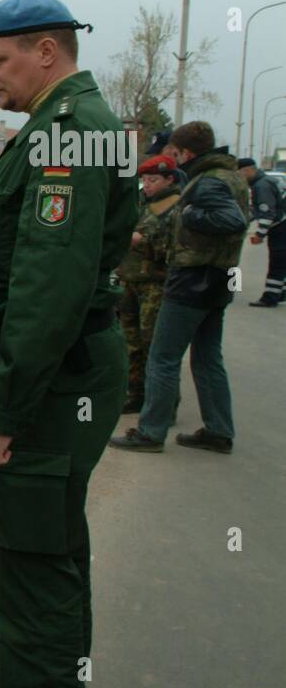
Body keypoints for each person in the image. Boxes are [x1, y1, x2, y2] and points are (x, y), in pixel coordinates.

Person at [0, 0, 136, 688]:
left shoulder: (66, 133)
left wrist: (4, 414)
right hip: (66, 373)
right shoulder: (65, 125)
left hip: (54, 381)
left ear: (46, 52)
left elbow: (48, 290)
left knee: (34, 553)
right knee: (50, 544)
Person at [110, 122, 249, 455]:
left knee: (162, 356)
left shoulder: (209, 181)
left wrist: (189, 213)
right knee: (206, 357)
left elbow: (234, 221)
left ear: (185, 153)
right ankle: (218, 430)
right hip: (218, 277)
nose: (171, 157)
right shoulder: (231, 177)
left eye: (173, 152)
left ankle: (150, 431)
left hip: (193, 279)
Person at [116, 154, 183, 412]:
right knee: (130, 341)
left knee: (154, 345)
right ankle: (136, 393)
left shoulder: (175, 206)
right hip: (130, 279)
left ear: (169, 179)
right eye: (144, 179)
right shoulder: (141, 202)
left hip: (156, 284)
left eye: (153, 179)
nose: (148, 184)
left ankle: (164, 402)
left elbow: (173, 246)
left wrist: (138, 240)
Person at [239, 157, 285, 307]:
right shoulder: (265, 181)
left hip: (281, 227)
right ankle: (280, 292)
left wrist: (260, 234)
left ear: (248, 170)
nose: (240, 178)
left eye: (240, 174)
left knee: (278, 262)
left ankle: (270, 297)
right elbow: (257, 209)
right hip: (281, 224)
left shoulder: (261, 185)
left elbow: (267, 212)